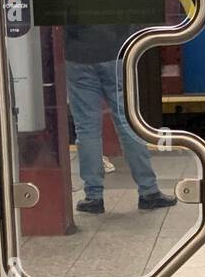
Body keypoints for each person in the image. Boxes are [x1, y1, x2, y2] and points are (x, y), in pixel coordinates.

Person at [63, 23, 176, 215]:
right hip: (115, 52)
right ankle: (149, 191)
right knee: (128, 122)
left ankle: (94, 197)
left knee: (86, 129)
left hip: (77, 56)